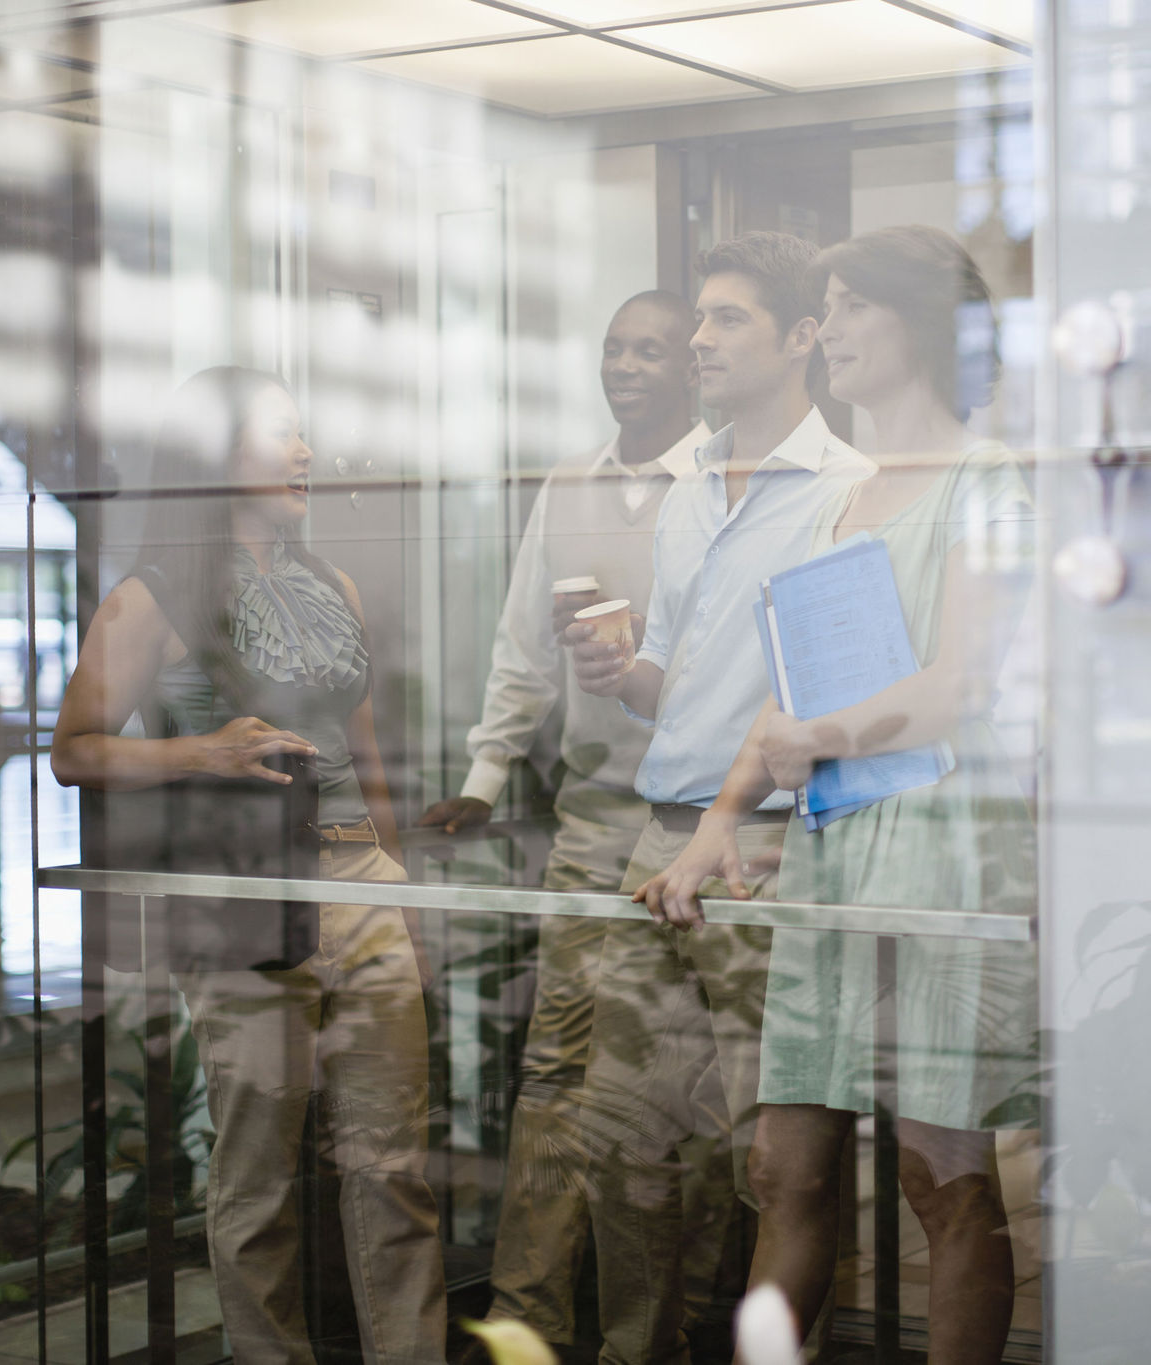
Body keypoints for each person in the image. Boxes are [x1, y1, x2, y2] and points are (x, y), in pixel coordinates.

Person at [635, 225, 1038, 1365]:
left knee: (943, 1177)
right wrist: (716, 828)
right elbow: (787, 697)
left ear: (921, 323)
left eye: (854, 305)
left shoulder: (987, 480)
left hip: (941, 849)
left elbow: (960, 682)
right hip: (833, 851)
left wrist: (824, 737)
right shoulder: (834, 501)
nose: (834, 330)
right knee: (784, 1169)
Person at [51, 366, 446, 1365]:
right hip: (244, 899)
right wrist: (204, 752)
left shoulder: (334, 585)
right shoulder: (151, 595)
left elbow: (367, 754)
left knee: (394, 1167)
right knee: (259, 1177)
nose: (305, 451)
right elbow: (74, 750)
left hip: (359, 881)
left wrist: (403, 895)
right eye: (281, 434)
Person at [568, 232, 875, 1365]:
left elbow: (826, 694)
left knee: (777, 1168)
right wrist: (620, 674)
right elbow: (675, 679)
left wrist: (730, 825)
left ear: (803, 338)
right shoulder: (688, 483)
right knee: (621, 1143)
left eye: (726, 319)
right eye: (699, 317)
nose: (697, 339)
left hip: (773, 850)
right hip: (661, 840)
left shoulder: (850, 489)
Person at [415, 291, 716, 1352]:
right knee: (555, 1070)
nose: (625, 366)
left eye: (651, 350)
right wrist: (486, 777)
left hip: (699, 832)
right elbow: (522, 650)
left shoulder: (721, 480)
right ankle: (524, 1322)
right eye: (614, 348)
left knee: (666, 1097)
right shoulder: (568, 484)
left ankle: (653, 1337)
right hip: (591, 826)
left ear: (692, 367)